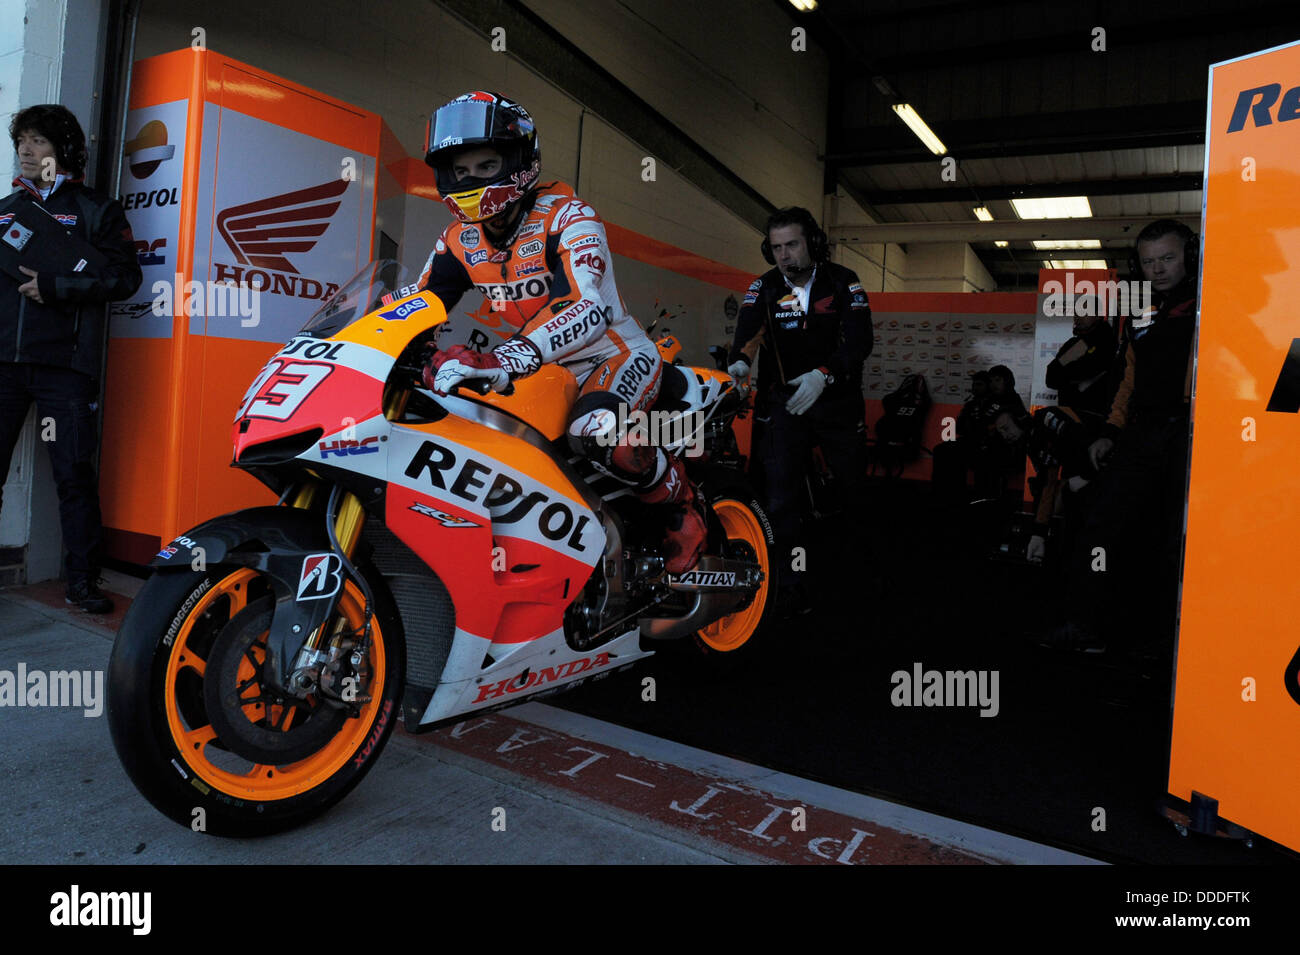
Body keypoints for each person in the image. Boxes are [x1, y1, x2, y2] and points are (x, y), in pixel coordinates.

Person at [416, 91, 705, 573]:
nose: (471, 181)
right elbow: (417, 302)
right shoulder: (457, 239)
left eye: (487, 165)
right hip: (539, 367)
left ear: (519, 159)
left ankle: (682, 506)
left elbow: (588, 305)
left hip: (611, 354)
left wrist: (505, 359)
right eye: (461, 171)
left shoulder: (568, 216)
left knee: (592, 431)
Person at [0, 104, 142, 612]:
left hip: (65, 369)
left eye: (37, 140)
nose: (25, 149)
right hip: (6, 368)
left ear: (62, 150)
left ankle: (83, 582)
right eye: (22, 140)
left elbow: (126, 278)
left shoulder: (97, 210)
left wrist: (59, 286)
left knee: (73, 475)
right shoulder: (5, 210)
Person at [1043, 219, 1198, 653]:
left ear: (1189, 254)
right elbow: (1127, 377)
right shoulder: (1143, 308)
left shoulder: (1211, 300)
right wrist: (1111, 430)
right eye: (1149, 262)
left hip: (1191, 435)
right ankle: (1087, 626)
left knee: (1173, 540)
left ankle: (1172, 644)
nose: (1159, 269)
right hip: (1141, 434)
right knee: (1104, 525)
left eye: (1167, 258)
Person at [727, 206, 873, 615]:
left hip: (837, 400)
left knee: (852, 489)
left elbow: (860, 342)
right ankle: (789, 583)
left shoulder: (844, 282)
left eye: (792, 244)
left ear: (812, 242)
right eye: (776, 247)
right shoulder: (764, 286)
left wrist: (824, 374)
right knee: (779, 497)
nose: (784, 255)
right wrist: (739, 363)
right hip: (786, 400)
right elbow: (747, 336)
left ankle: (854, 572)